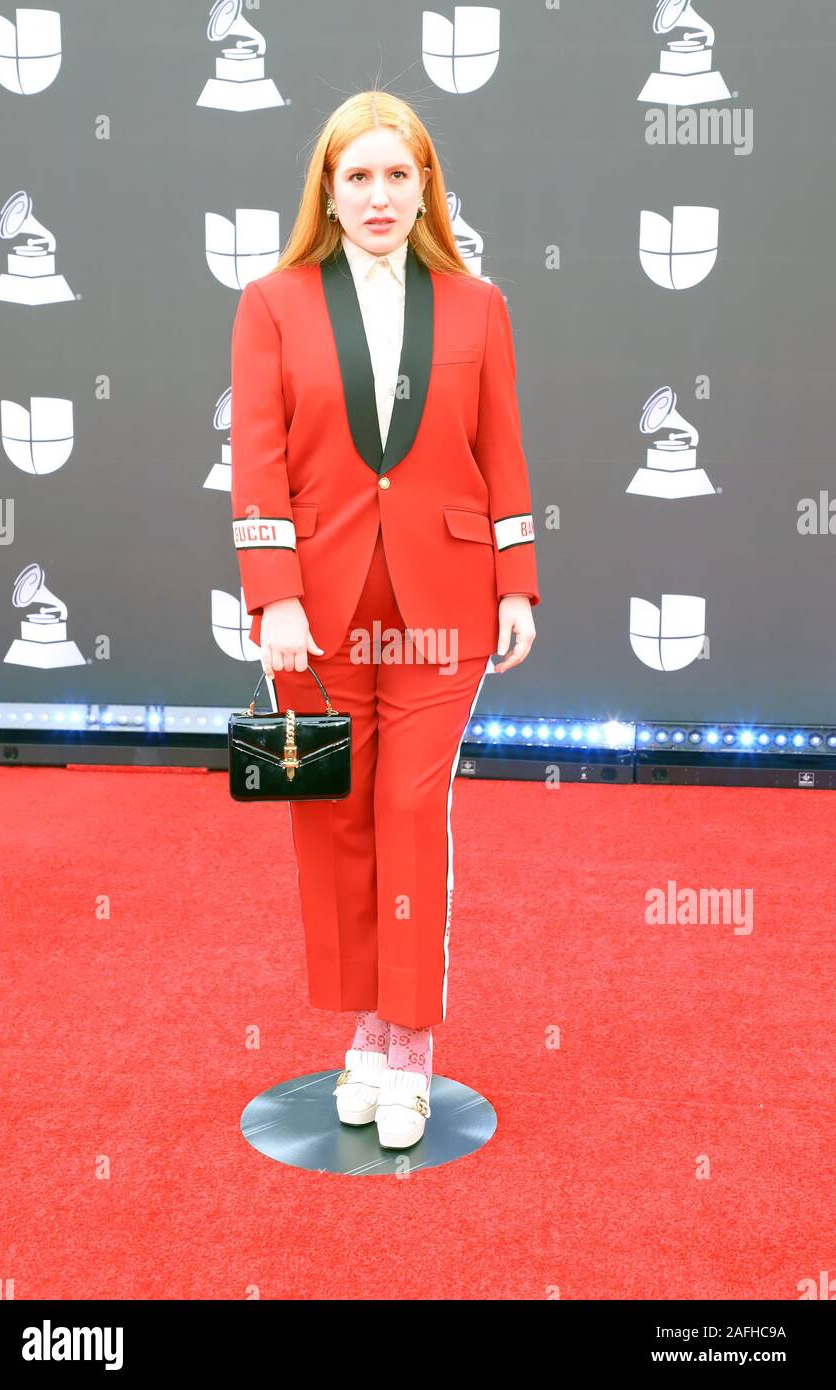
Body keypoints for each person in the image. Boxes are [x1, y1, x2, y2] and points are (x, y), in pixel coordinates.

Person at [230, 90, 540, 1149]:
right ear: (328, 186)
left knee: (410, 811)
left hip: (443, 603)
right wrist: (271, 598)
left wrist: (516, 582)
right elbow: (259, 463)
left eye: (397, 176)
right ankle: (364, 1033)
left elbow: (504, 453)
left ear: (426, 189)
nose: (377, 195)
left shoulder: (479, 306)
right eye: (356, 175)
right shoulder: (270, 303)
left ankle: (410, 1053)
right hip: (313, 611)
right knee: (338, 814)